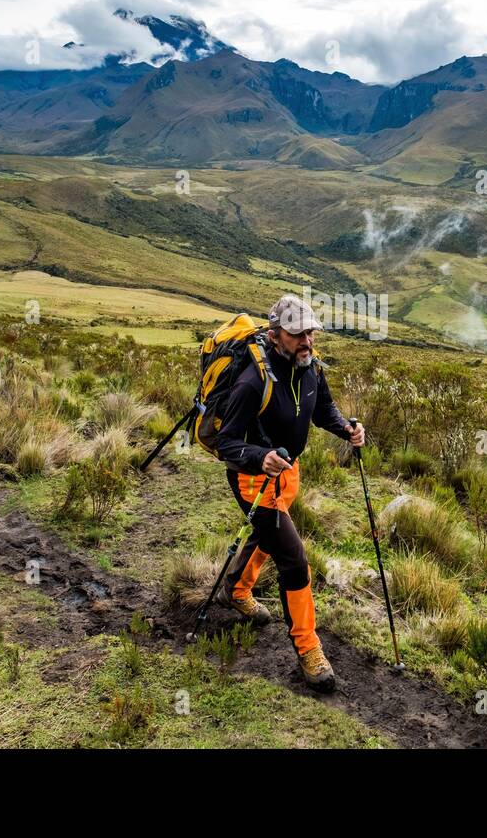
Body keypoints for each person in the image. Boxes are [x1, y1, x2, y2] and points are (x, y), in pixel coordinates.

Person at [214, 293, 365, 692]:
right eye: (297, 334)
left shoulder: (310, 367)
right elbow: (227, 443)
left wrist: (346, 429)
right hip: (253, 479)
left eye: (310, 332)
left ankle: (236, 589)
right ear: (277, 334)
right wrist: (259, 457)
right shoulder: (253, 380)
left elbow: (323, 410)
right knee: (295, 560)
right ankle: (308, 649)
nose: (307, 341)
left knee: (268, 541)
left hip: (289, 473)